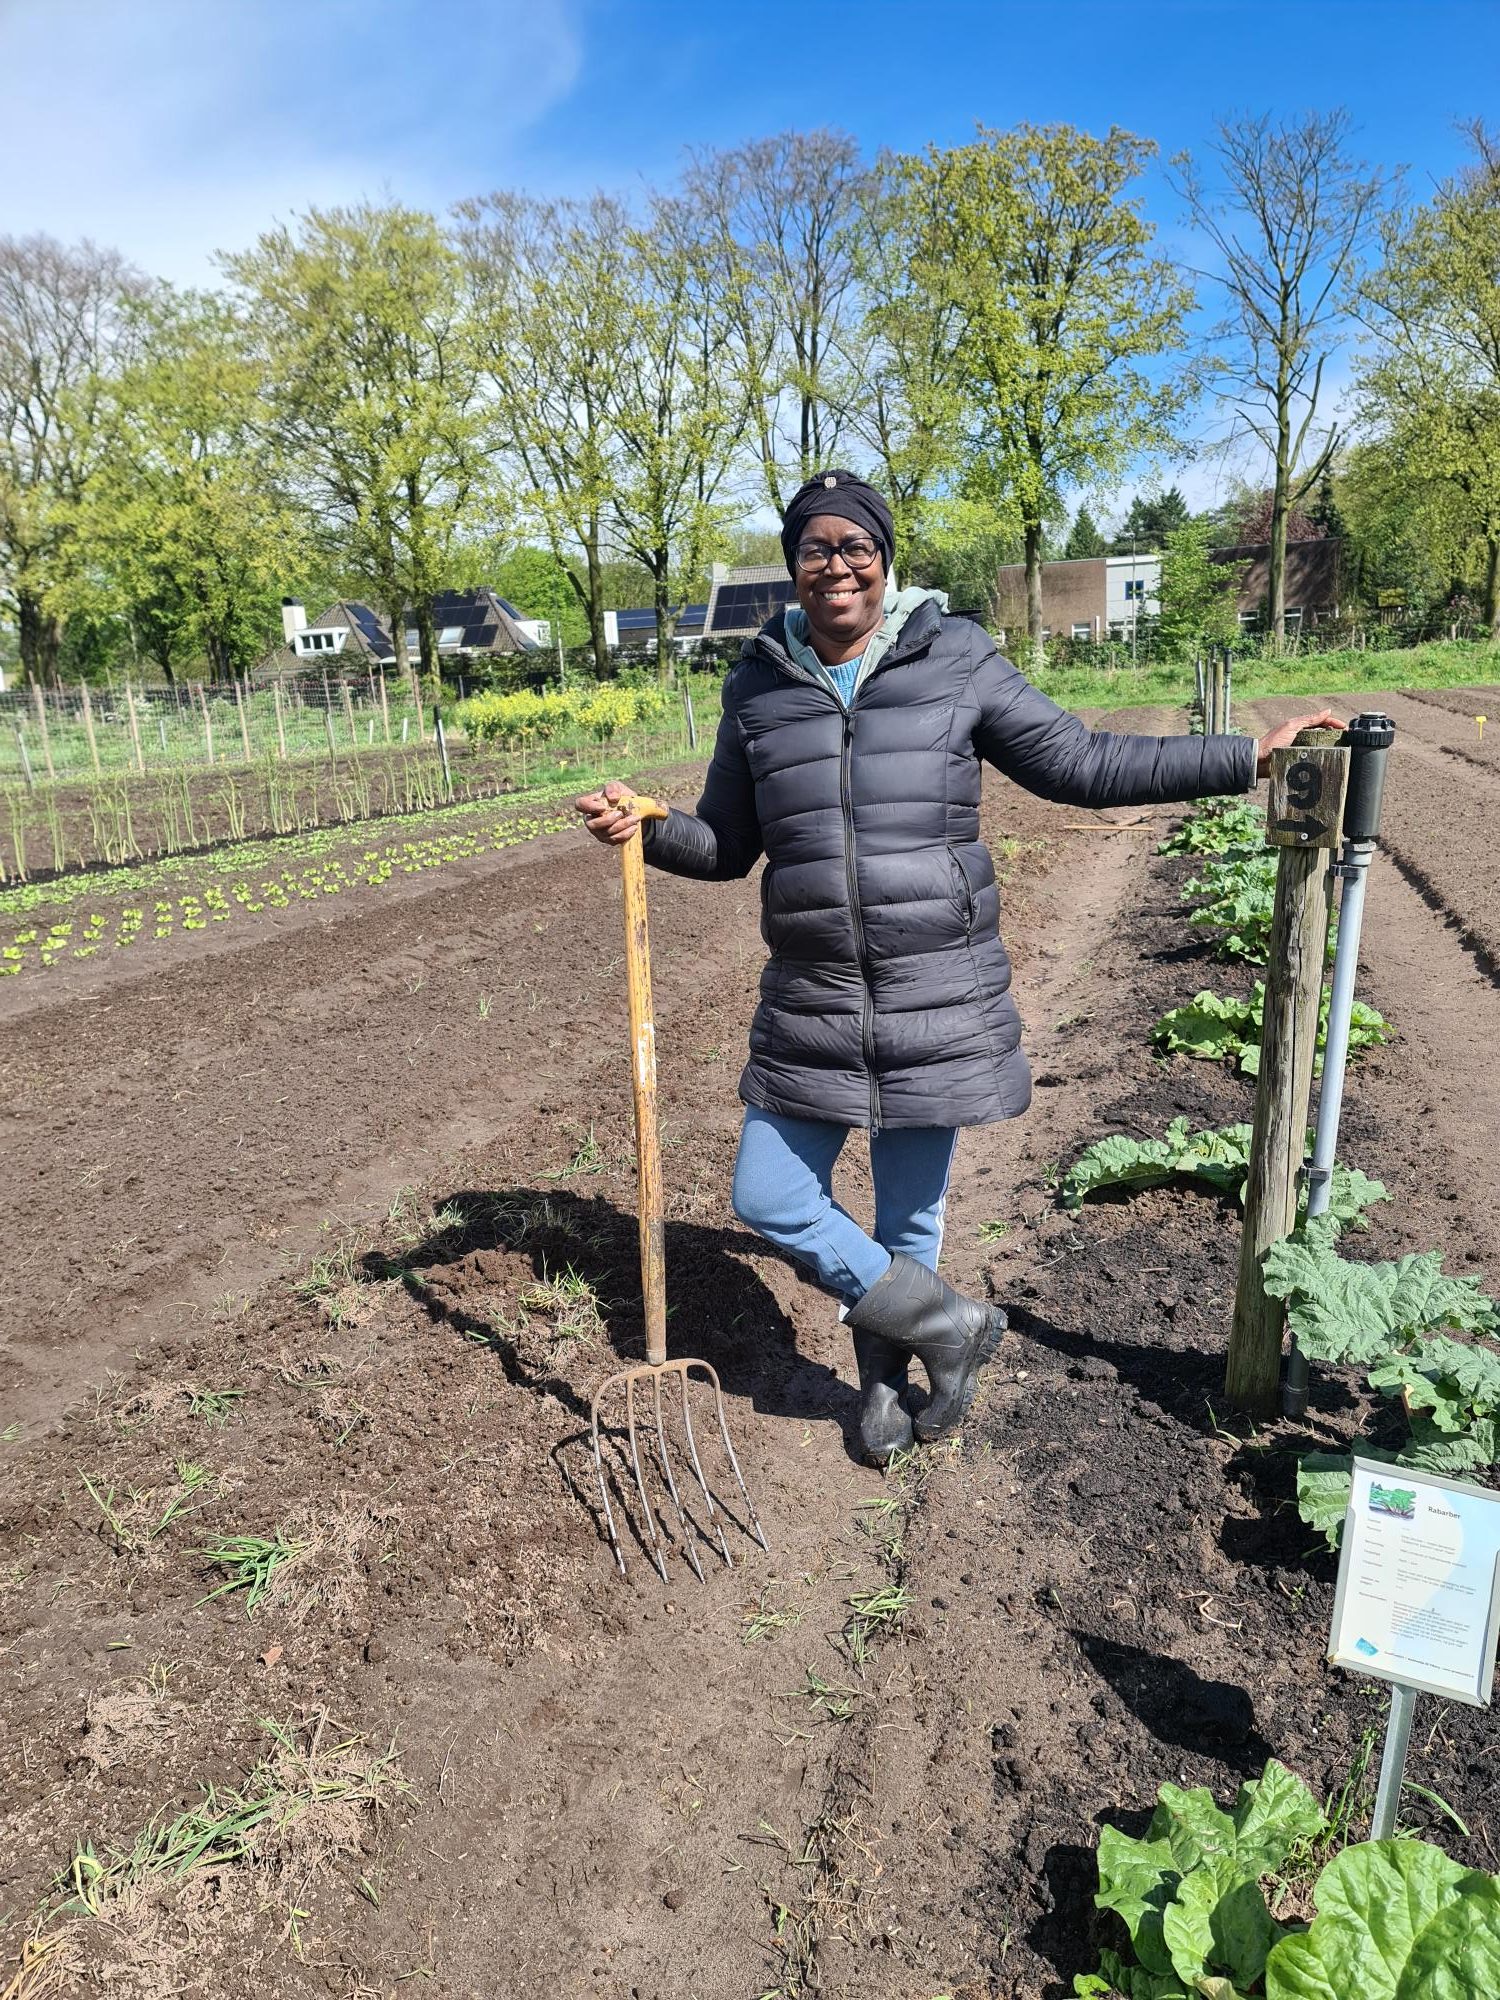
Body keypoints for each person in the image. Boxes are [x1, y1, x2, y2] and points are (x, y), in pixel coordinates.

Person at [576, 470, 1341, 1467]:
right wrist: (651, 827)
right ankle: (949, 1327)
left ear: (886, 559)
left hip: (934, 988)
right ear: (793, 567)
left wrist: (1245, 758)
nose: (837, 564)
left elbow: (1083, 764)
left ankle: (884, 1387)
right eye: (815, 548)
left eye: (857, 545)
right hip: (813, 996)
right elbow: (726, 843)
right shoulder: (756, 686)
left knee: (910, 1217)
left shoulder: (956, 656)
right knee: (768, 1196)